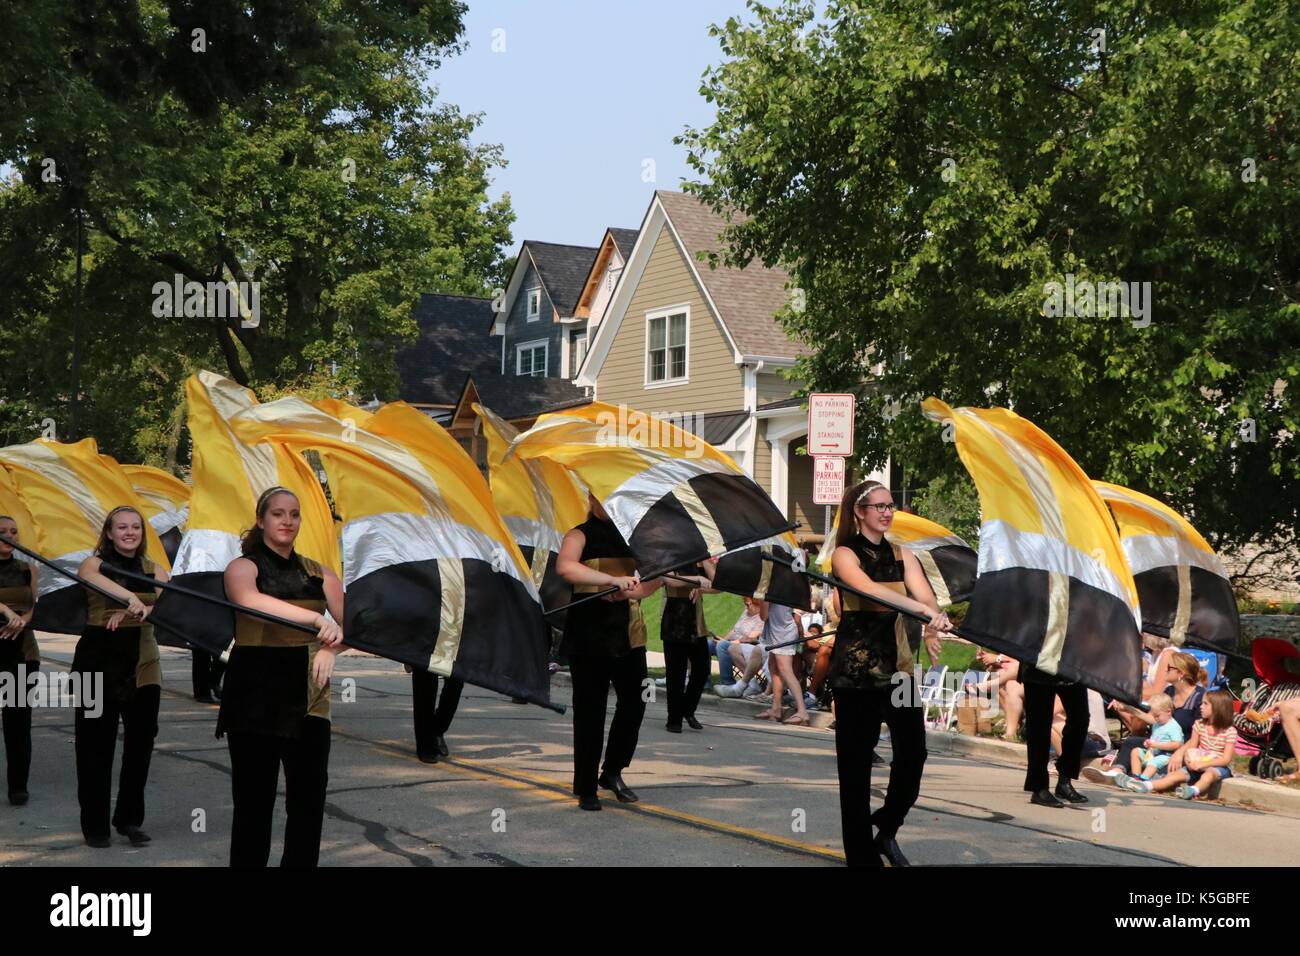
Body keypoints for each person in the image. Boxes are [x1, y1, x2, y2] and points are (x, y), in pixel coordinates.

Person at [219, 487, 345, 867]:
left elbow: (352, 624)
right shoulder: (244, 567)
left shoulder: (319, 571)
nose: (287, 521)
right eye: (278, 514)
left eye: (294, 514)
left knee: (308, 803)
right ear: (261, 520)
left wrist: (329, 648)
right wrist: (314, 618)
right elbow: (249, 602)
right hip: (255, 693)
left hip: (310, 694)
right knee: (253, 805)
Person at [827, 480, 952, 867]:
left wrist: (934, 618)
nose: (886, 512)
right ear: (859, 512)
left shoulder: (903, 554)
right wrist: (921, 611)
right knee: (856, 768)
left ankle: (885, 827)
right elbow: (870, 590)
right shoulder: (844, 555)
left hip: (898, 673)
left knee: (914, 755)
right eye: (878, 506)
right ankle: (861, 856)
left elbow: (925, 597)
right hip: (857, 673)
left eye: (890, 505)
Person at [556, 495, 664, 811]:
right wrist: (610, 581)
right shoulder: (579, 534)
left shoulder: (636, 537)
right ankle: (586, 784)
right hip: (588, 633)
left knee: (636, 702)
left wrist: (635, 589)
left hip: (628, 632)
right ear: (591, 499)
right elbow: (566, 568)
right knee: (590, 709)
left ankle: (613, 771)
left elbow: (651, 581)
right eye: (600, 496)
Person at [72, 506, 167, 847]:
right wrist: (131, 600)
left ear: (143, 533)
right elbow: (96, 582)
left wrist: (146, 610)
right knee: (92, 747)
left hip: (143, 664)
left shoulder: (155, 569)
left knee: (140, 746)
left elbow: (170, 607)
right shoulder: (93, 563)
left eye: (136, 527)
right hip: (95, 662)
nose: (129, 532)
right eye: (121, 527)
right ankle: (94, 825)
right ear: (109, 533)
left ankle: (129, 819)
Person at [1086, 652, 1205, 785]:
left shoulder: (1200, 698)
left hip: (1182, 746)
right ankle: (1116, 772)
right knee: (1132, 742)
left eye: (1169, 668)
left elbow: (1199, 733)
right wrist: (1127, 707)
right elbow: (1155, 719)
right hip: (1161, 742)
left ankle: (1138, 778)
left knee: (1161, 769)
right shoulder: (1170, 692)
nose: (1165, 670)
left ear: (1181, 674)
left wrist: (1180, 753)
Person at [1118, 690, 1238, 799]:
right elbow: (1191, 748)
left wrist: (1203, 764)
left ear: (1218, 708)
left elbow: (1226, 759)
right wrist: (1188, 759)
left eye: (1205, 704)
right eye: (1202, 703)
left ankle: (1193, 790)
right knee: (1173, 777)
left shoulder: (1229, 731)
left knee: (1209, 775)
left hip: (1216, 766)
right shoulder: (1199, 725)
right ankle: (1145, 785)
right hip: (1196, 764)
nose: (1201, 707)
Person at [0, 516, 38, 805]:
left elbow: (33, 606)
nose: (9, 536)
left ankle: (18, 785)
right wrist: (5, 610)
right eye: (2, 532)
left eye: (14, 531)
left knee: (18, 721)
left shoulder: (28, 568)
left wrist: (22, 619)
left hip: (21, 652)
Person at [1020, 659, 1090, 808]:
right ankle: (1039, 788)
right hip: (1039, 659)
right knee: (1039, 724)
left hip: (1070, 660)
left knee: (1080, 719)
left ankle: (1065, 780)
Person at [661, 562, 715, 733]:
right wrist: (698, 580)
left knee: (702, 669)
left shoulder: (700, 556)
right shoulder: (669, 554)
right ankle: (674, 719)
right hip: (675, 618)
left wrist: (706, 563)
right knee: (675, 673)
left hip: (696, 623)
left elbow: (719, 584)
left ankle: (687, 709)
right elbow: (671, 580)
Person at [753, 598, 809, 725]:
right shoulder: (781, 584)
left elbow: (764, 616)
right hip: (779, 629)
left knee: (785, 670)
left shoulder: (768, 585)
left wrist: (761, 599)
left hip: (782, 631)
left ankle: (802, 712)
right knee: (773, 666)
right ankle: (776, 708)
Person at [712, 598, 765, 698]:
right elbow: (734, 630)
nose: (746, 607)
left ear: (758, 604)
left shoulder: (761, 617)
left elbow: (749, 638)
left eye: (748, 604)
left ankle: (728, 683)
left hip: (747, 647)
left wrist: (725, 642)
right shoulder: (746, 612)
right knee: (708, 644)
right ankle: (704, 683)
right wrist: (723, 639)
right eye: (745, 603)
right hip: (732, 643)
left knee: (721, 645)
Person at [1125, 693, 1183, 780]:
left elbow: (1177, 744)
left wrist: (1156, 745)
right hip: (1153, 752)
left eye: (1157, 716)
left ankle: (1144, 779)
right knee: (1135, 751)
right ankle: (1135, 776)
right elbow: (1155, 738)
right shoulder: (1157, 724)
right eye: (1153, 716)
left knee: (1154, 762)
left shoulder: (1173, 726)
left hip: (1166, 755)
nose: (1155, 718)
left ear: (1168, 711)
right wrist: (1148, 743)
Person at [411, 666, 464, 763]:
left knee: (456, 679)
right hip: (425, 651)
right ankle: (425, 744)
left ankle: (437, 729)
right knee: (425, 680)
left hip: (449, 650)